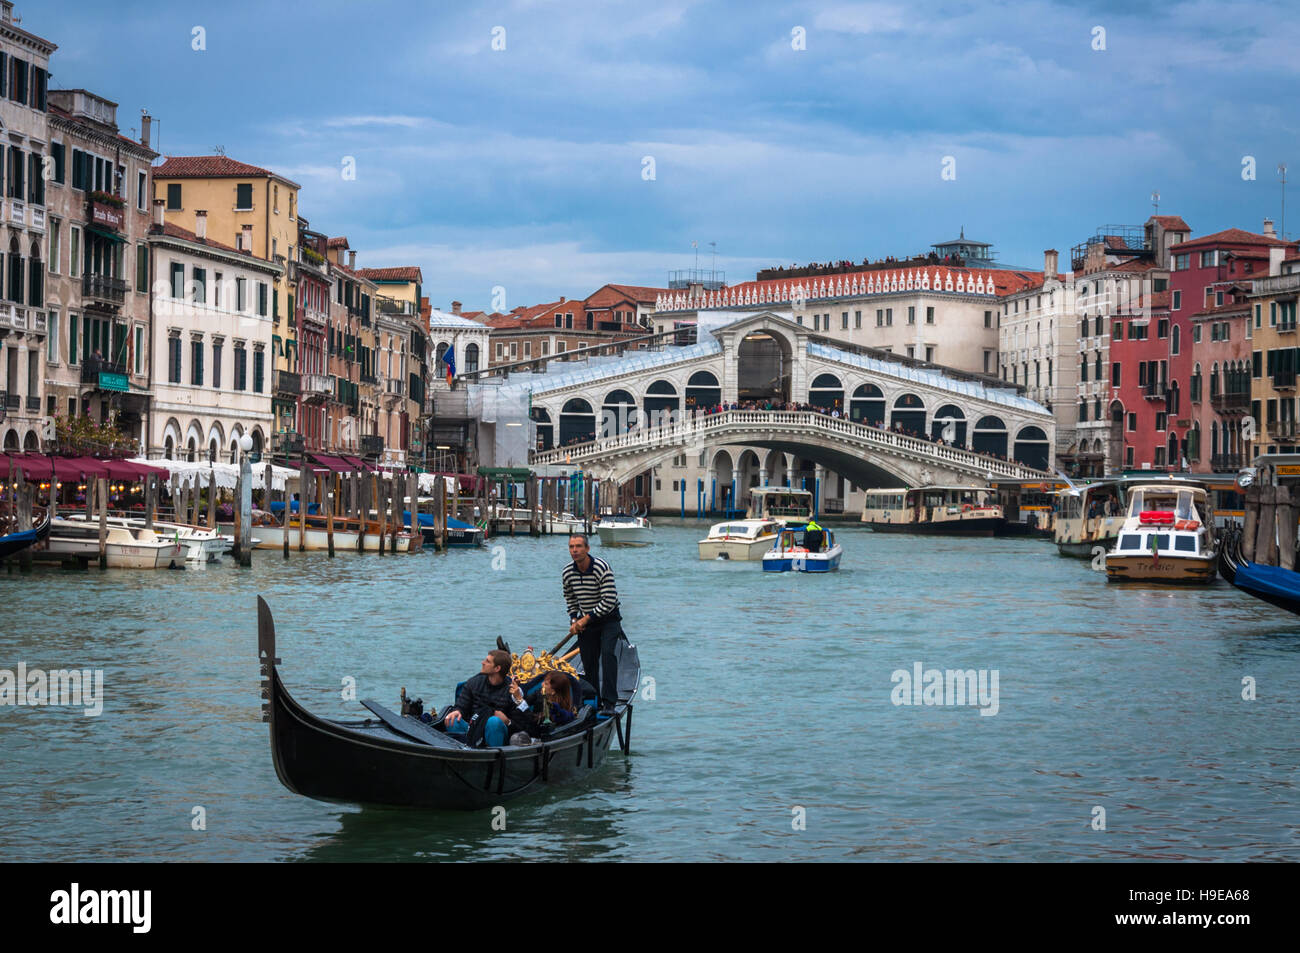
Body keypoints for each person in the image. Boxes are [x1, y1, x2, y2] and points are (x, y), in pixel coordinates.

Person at [561, 533, 624, 714]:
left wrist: (585, 619)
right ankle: (593, 699)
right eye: (572, 547)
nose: (575, 550)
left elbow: (609, 600)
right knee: (588, 661)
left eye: (579, 546)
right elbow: (570, 599)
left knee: (607, 654)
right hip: (585, 620)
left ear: (587, 549)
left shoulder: (601, 568)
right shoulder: (567, 572)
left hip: (609, 619)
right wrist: (574, 619)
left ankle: (610, 702)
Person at [442, 649, 531, 747]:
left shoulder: (512, 691)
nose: (482, 662)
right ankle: (463, 752)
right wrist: (457, 711)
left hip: (498, 734)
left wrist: (507, 721)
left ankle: (493, 757)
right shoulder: (474, 682)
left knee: (494, 722)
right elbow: (461, 706)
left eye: (487, 661)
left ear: (497, 668)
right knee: (452, 719)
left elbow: (522, 727)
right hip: (473, 729)